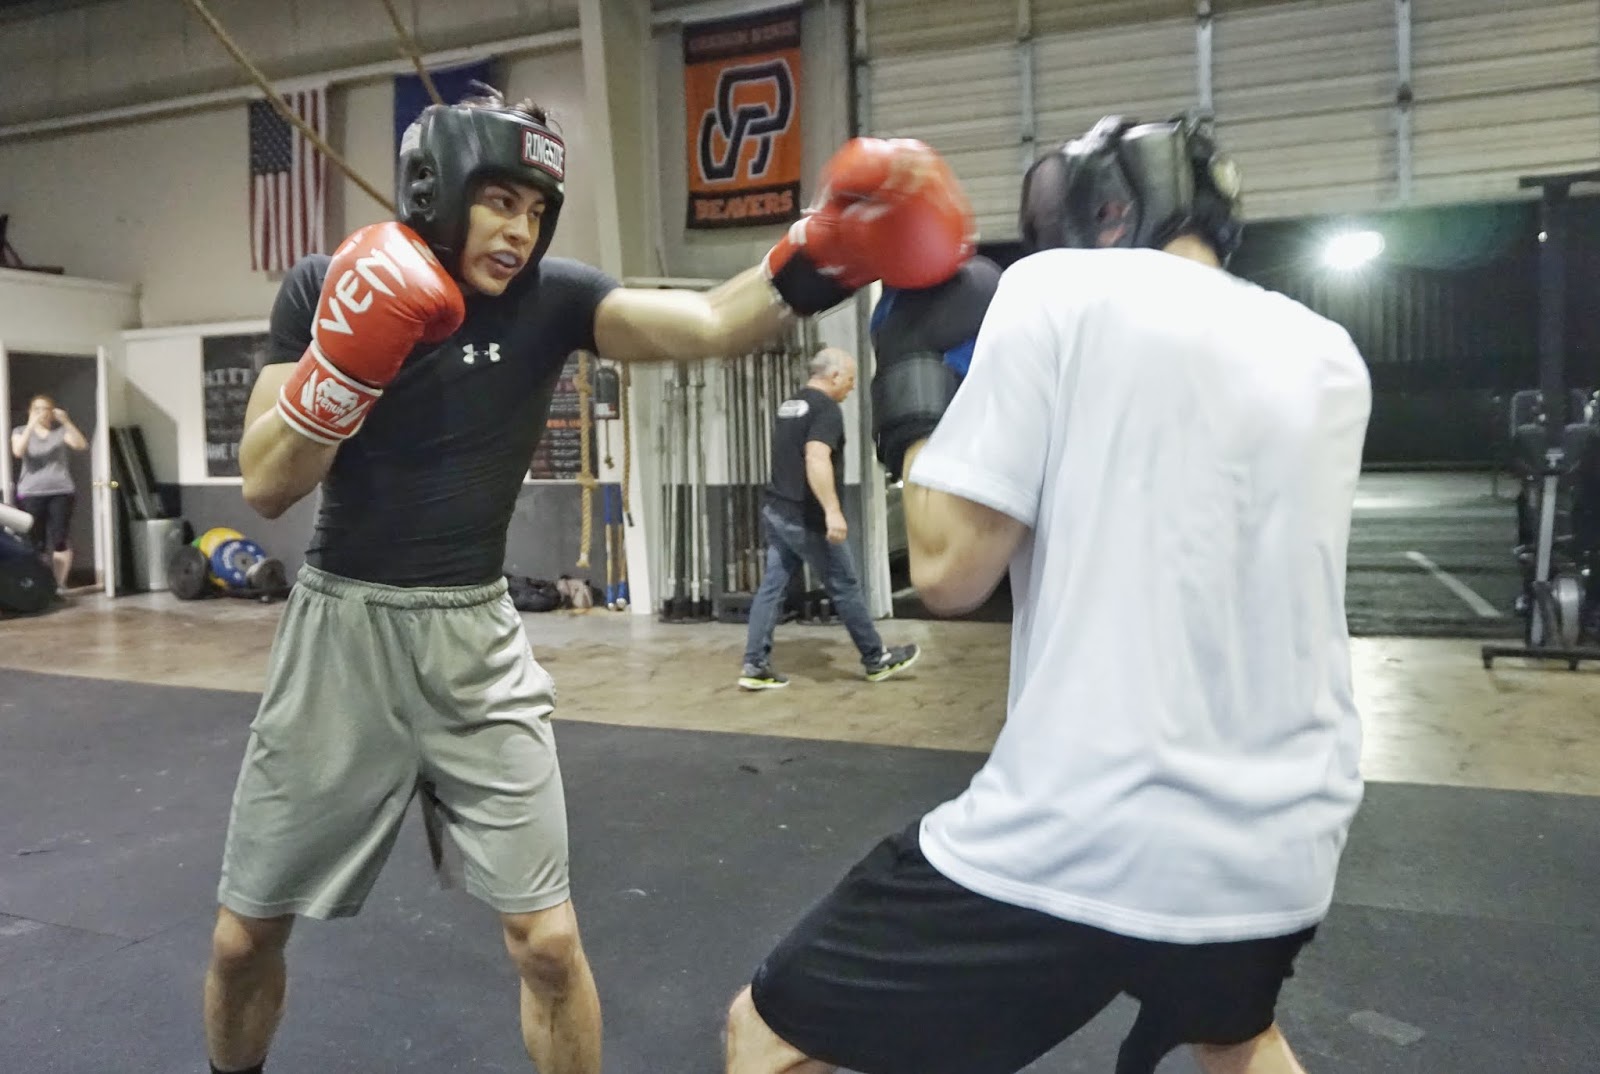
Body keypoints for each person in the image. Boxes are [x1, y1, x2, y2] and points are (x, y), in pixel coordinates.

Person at [203, 85, 973, 1074]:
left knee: (551, 947)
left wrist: (828, 249)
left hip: (475, 641)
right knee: (240, 940)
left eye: (535, 209)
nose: (518, 230)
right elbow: (268, 482)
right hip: (338, 634)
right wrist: (345, 364)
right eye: (498, 199)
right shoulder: (321, 283)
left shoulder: (552, 300)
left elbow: (704, 321)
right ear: (437, 190)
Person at [724, 112, 1371, 1074]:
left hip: (1090, 831)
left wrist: (913, 392)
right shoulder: (1331, 355)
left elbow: (949, 573)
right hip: (1289, 836)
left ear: (1101, 212)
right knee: (1236, 1035)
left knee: (769, 1033)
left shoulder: (1054, 289)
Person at [738, 345, 919, 690]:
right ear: (833, 375)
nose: (851, 387)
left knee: (772, 588)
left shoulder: (791, 405)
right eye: (849, 379)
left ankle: (754, 664)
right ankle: (875, 658)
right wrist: (832, 512)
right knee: (845, 586)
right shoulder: (826, 411)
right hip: (807, 519)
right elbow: (816, 458)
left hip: (777, 510)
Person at [9, 394, 88, 590]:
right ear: (30, 411)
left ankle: (59, 584)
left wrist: (67, 421)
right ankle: (40, 584)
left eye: (46, 409)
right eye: (37, 409)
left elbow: (81, 445)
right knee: (36, 541)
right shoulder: (19, 431)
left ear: (52, 412)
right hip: (31, 493)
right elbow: (18, 451)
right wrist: (30, 425)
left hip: (61, 491)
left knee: (60, 538)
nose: (42, 413)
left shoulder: (60, 432)